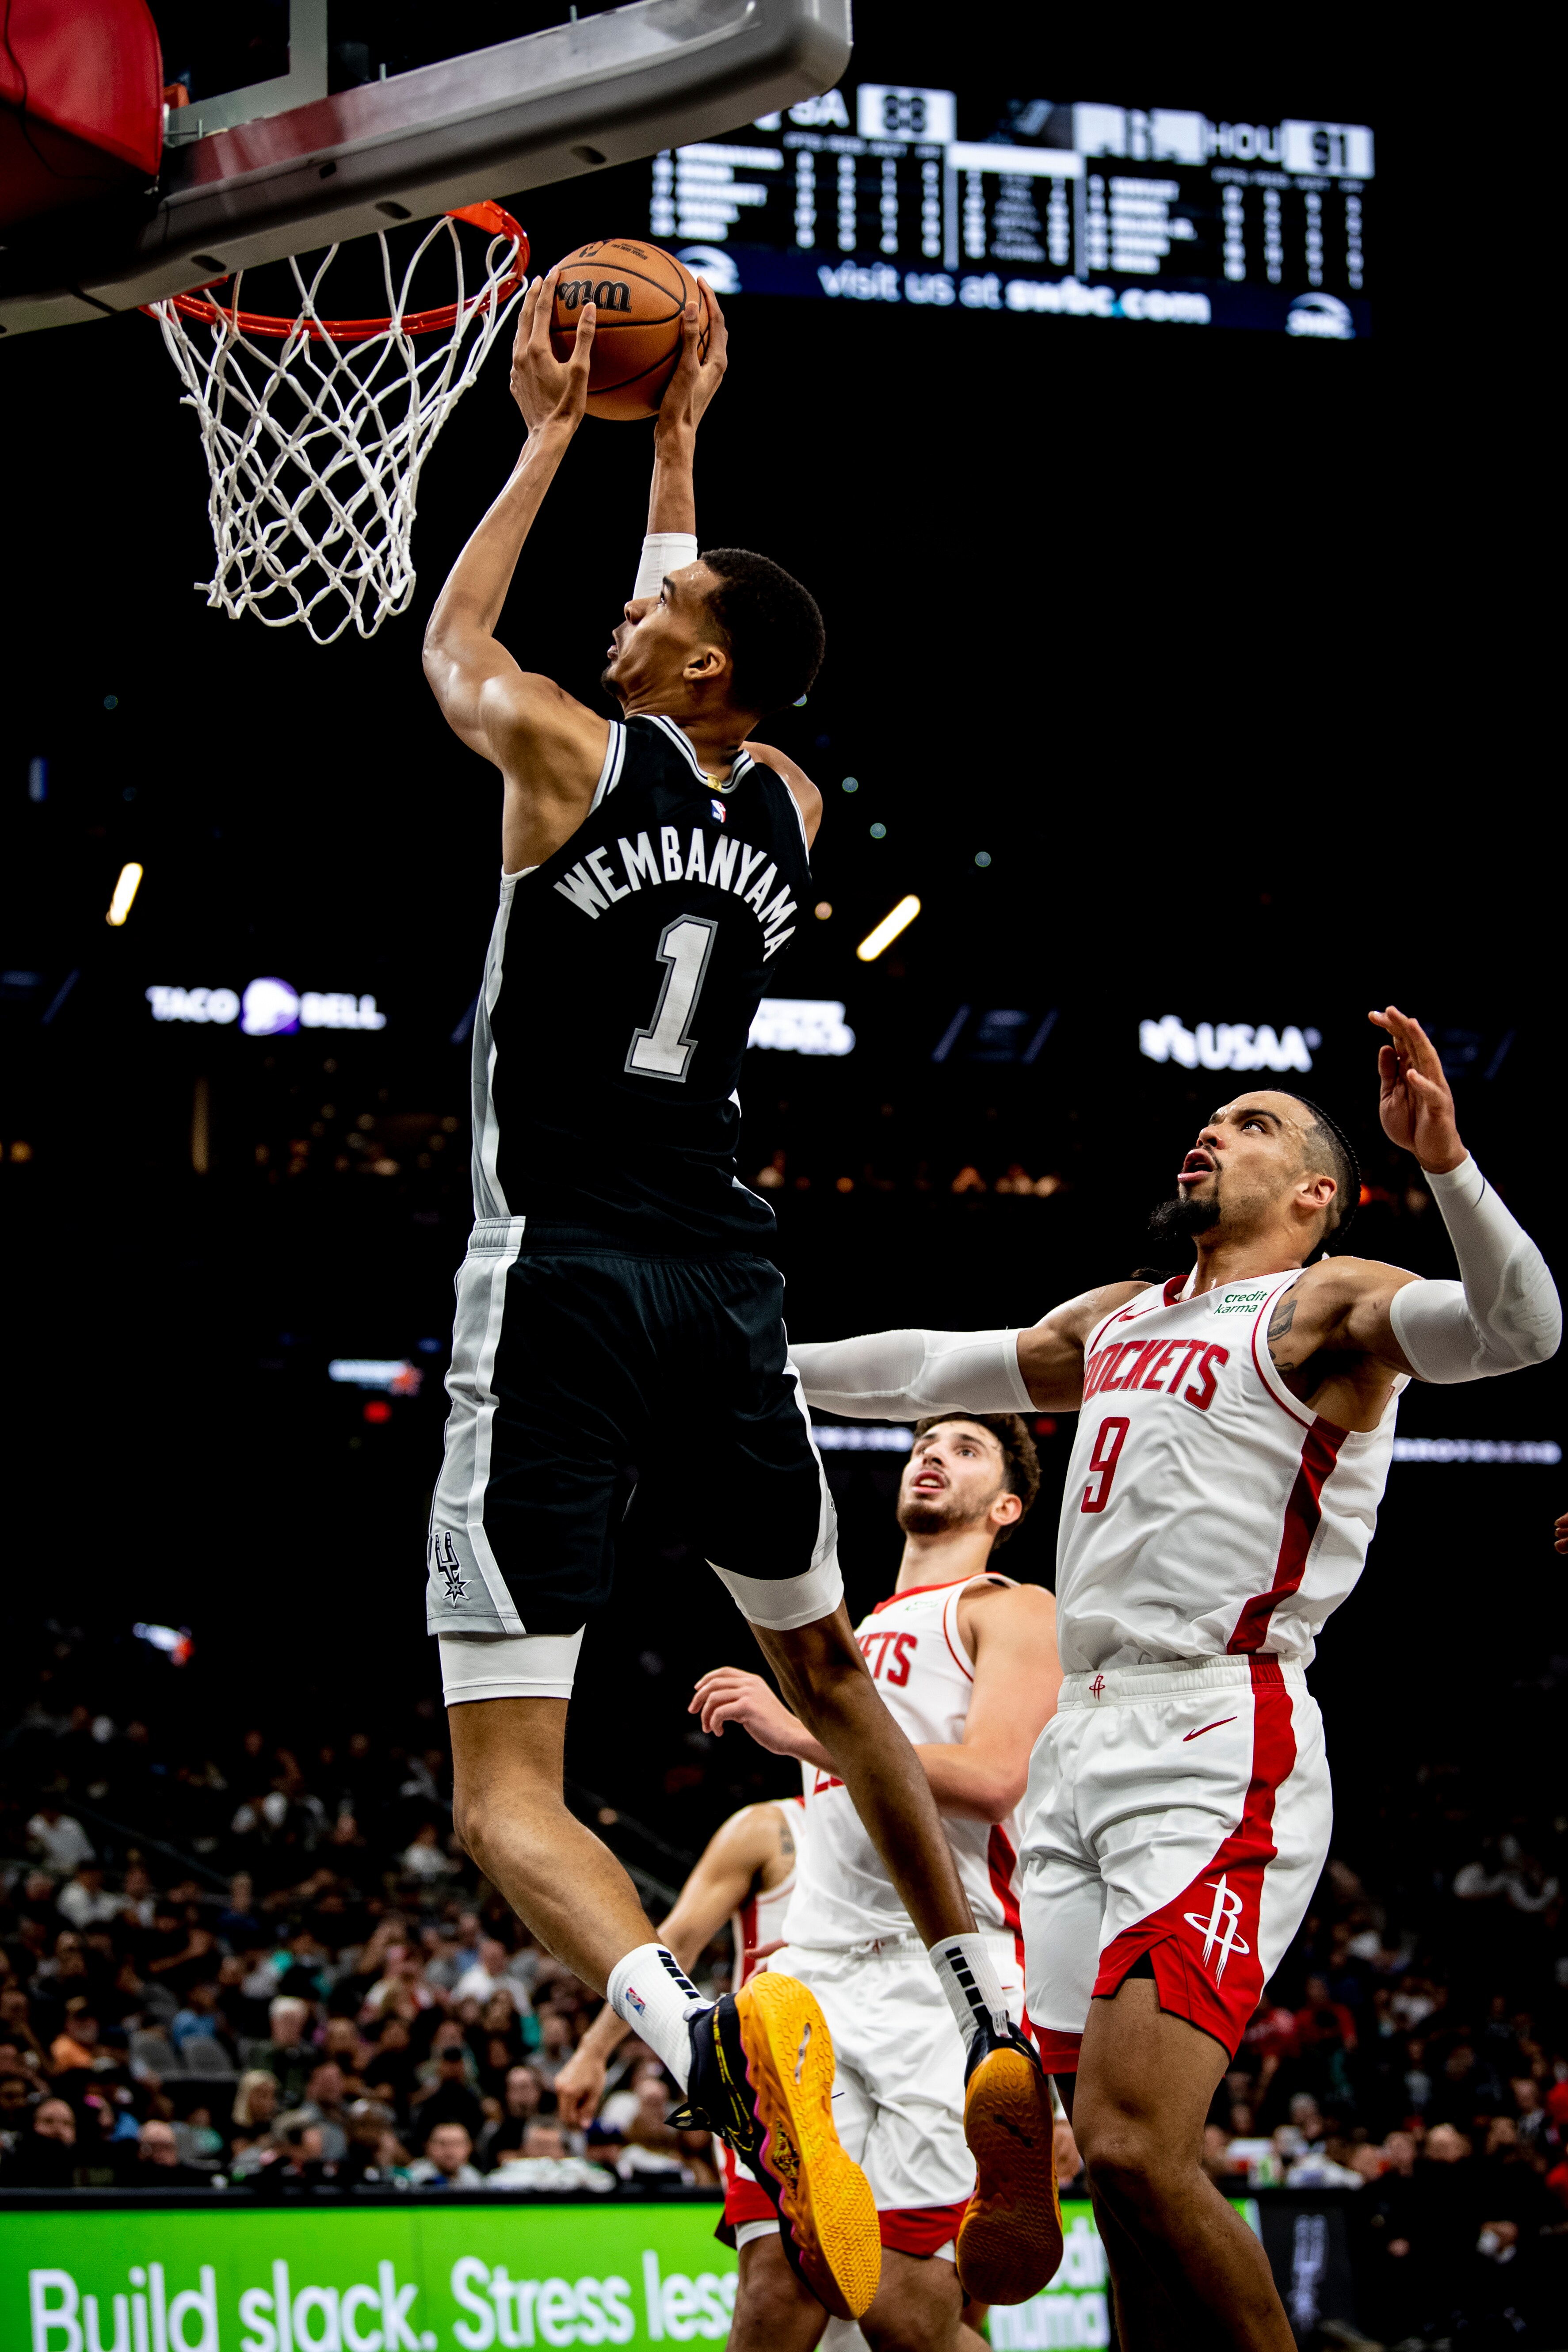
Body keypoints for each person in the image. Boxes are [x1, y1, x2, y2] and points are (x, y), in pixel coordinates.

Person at [417, 268, 1052, 2320]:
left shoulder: (558, 759)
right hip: (724, 1284)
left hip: (566, 1278)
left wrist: (545, 430)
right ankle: (982, 1994)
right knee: (841, 1684)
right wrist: (674, 438)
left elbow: (456, 643)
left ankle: (698, 2053)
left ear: (698, 662)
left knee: (505, 1784)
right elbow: (698, 641)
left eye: (655, 615)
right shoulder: (772, 809)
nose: (628, 615)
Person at [788, 1010, 1561, 2348]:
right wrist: (738, 1377)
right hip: (1077, 1749)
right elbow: (923, 1365)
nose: (1210, 1130)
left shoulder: (1327, 1303)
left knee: (1138, 2147)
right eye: (1210, 1120)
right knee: (1109, 2170)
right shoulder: (1115, 1319)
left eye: (1253, 1123)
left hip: (1216, 1723)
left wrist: (1444, 1160)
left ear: (1316, 1193)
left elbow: (1520, 1329)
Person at [689, 1414, 1061, 2352]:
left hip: (936, 1984)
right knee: (774, 2287)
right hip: (812, 1970)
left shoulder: (1008, 1607)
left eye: (965, 1448)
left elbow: (991, 1779)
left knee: (905, 2307)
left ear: (1007, 1505)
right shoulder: (843, 1632)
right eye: (924, 1443)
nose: (932, 1455)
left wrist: (801, 1732)